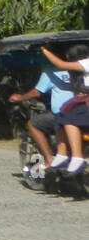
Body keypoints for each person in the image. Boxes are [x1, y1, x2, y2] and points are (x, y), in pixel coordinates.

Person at [8, 63, 77, 168]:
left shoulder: (51, 72)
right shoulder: (82, 70)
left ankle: (49, 160)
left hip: (63, 115)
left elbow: (37, 92)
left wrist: (20, 97)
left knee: (33, 124)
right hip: (83, 114)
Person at [39, 44, 89, 175]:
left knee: (69, 119)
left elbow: (61, 65)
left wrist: (44, 50)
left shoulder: (87, 62)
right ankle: (62, 154)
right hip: (81, 101)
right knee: (61, 116)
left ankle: (77, 157)